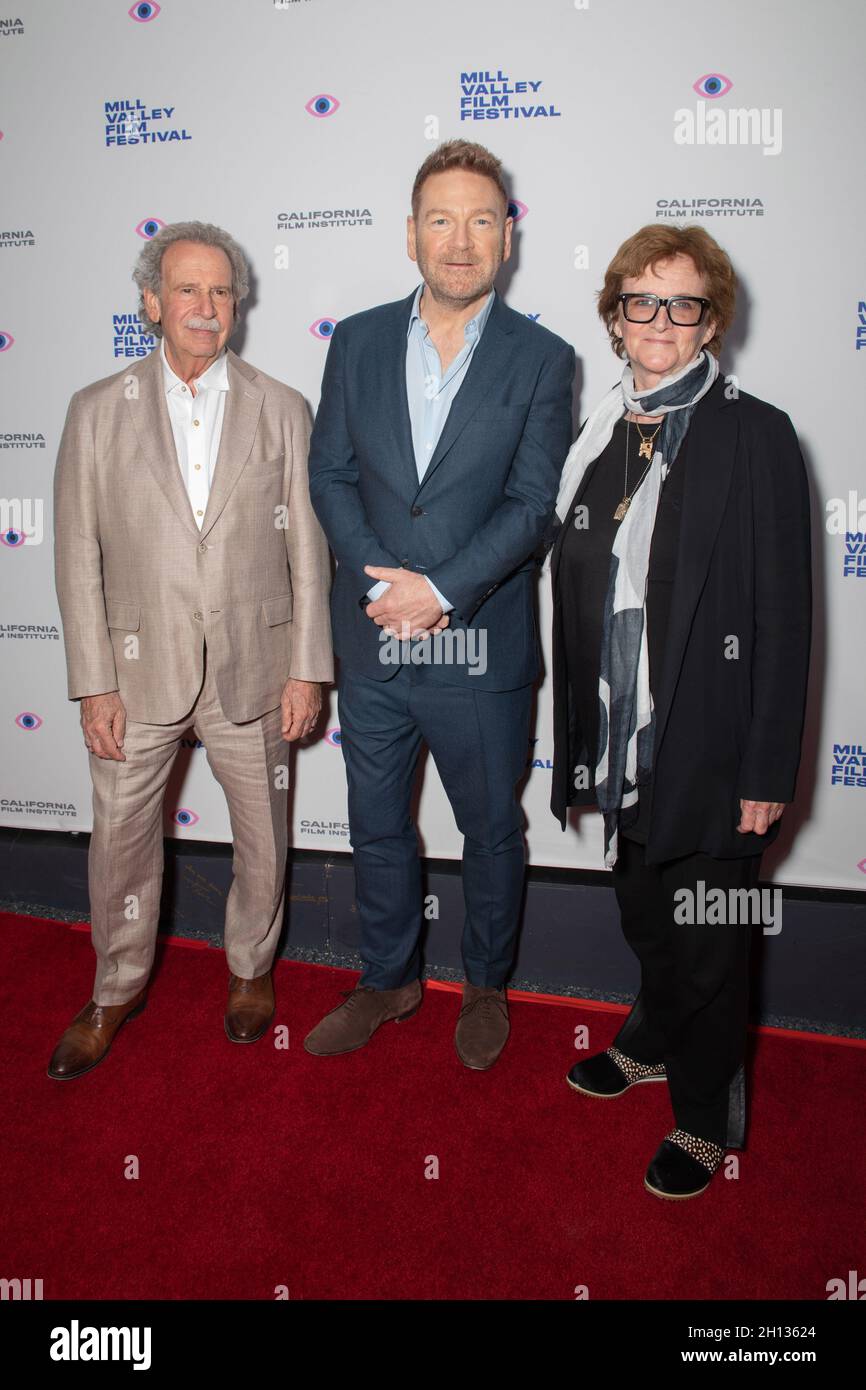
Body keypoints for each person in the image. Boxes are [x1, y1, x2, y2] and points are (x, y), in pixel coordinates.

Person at [549, 224, 811, 1198]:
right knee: (647, 917)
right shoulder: (603, 432)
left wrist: (763, 774)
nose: (657, 321)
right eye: (638, 301)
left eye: (681, 303)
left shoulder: (755, 433)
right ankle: (653, 1039)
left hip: (714, 746)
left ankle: (706, 1116)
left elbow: (784, 616)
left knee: (710, 936)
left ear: (710, 321)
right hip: (627, 743)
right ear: (614, 317)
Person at [305, 140, 575, 1069]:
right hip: (376, 639)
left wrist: (444, 592)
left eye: (481, 220)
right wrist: (387, 586)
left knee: (491, 827)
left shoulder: (545, 358)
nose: (460, 241)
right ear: (410, 233)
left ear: (508, 236)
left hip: (479, 647)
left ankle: (486, 983)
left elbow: (533, 504)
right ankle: (389, 978)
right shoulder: (359, 339)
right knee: (375, 824)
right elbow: (330, 474)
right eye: (440, 219)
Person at [49, 221, 333, 1080]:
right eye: (186, 290)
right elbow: (75, 556)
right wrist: (93, 682)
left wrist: (307, 665)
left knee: (263, 840)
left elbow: (308, 552)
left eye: (220, 292)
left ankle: (250, 969)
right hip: (134, 676)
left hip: (256, 663)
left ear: (236, 305)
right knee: (120, 844)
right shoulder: (97, 410)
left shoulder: (283, 406)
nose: (205, 308)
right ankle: (116, 986)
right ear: (150, 303)